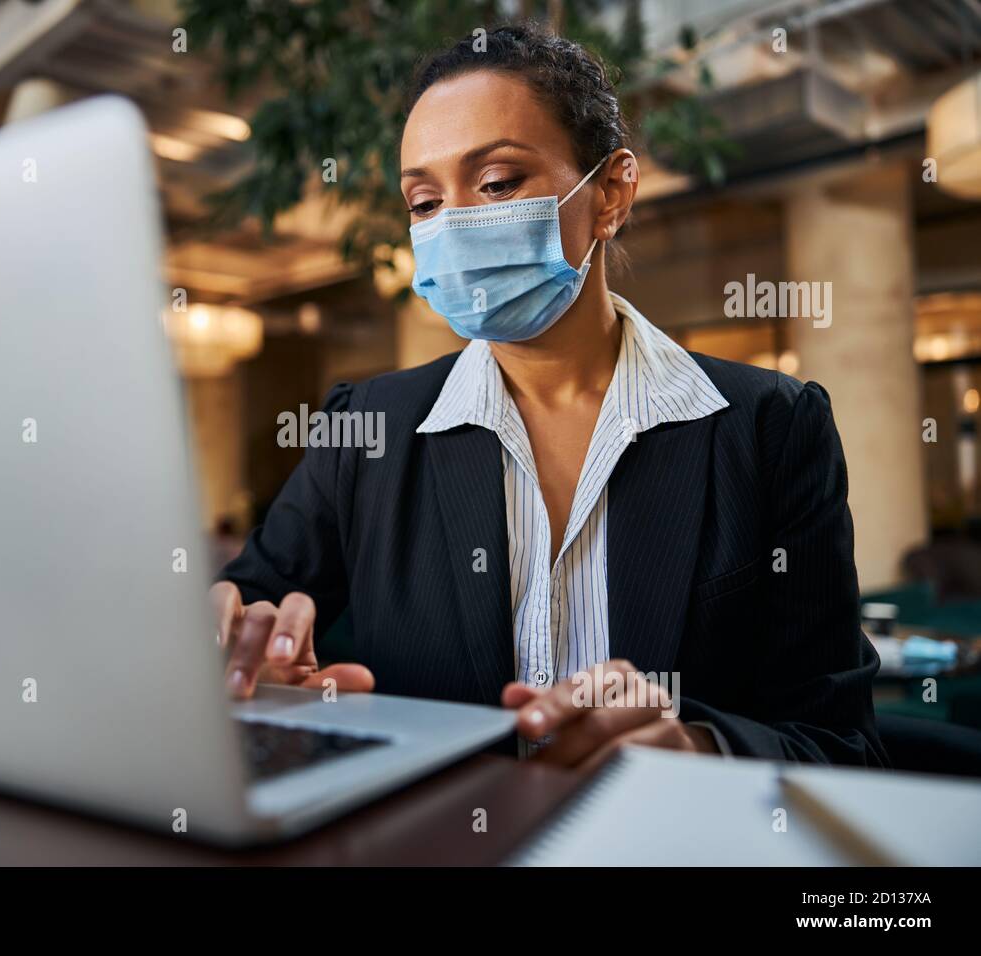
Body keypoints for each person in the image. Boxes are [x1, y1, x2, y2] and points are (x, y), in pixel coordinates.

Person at [210, 23, 885, 769]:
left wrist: (699, 746)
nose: (458, 224)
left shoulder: (769, 429)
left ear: (611, 193)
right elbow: (244, 615)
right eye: (426, 201)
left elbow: (841, 743)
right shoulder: (366, 432)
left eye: (497, 183)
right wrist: (250, 667)